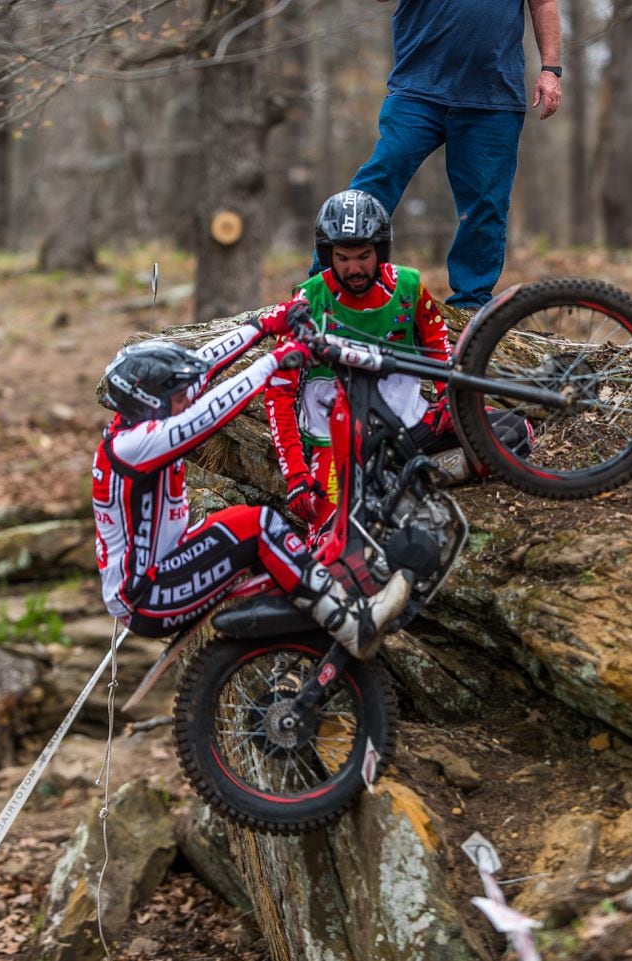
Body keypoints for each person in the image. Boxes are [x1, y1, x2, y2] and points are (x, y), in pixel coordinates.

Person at [91, 320, 410, 659]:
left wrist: (264, 324)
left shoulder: (138, 426)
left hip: (165, 566)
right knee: (259, 525)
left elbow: (206, 366)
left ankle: (302, 632)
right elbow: (204, 416)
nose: (187, 398)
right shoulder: (132, 446)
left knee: (250, 531)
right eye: (177, 395)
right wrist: (272, 363)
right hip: (147, 596)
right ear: (147, 401)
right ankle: (349, 623)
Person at [266, 190, 533, 529]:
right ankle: (397, 484)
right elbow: (278, 394)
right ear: (327, 254)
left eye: (363, 256)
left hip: (408, 427)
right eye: (342, 257)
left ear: (380, 250)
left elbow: (437, 346)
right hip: (334, 443)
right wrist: (295, 472)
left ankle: (407, 477)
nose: (354, 268)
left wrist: (450, 400)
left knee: (515, 433)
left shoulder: (408, 287)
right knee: (333, 532)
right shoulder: (305, 303)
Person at [310, 0, 563, 310]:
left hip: (493, 98)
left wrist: (550, 71)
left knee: (485, 204)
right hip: (418, 91)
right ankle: (323, 284)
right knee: (380, 177)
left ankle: (470, 303)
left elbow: (544, 3)